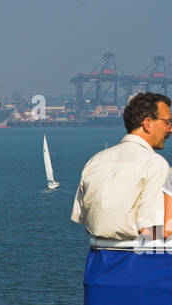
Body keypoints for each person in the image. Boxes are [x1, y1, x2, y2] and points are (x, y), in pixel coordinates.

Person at [70, 92, 172, 242]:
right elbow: (152, 229)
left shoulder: (95, 161)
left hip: (98, 260)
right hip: (138, 261)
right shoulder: (155, 164)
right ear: (148, 123)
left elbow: (86, 222)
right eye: (168, 122)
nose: (170, 130)